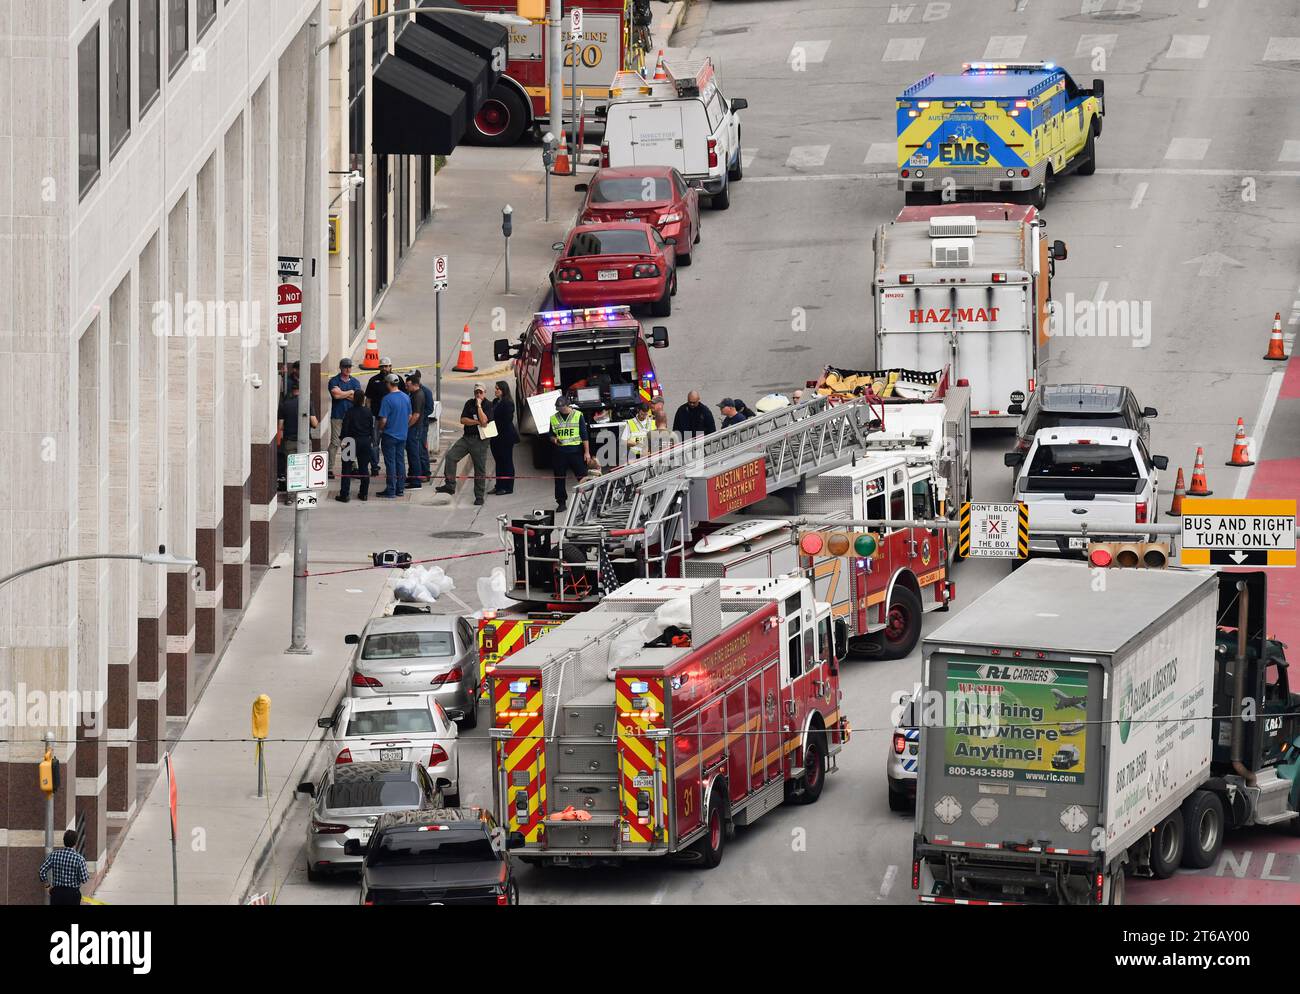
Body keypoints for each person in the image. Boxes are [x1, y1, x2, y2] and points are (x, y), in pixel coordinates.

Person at [434, 383, 491, 505]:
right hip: (466, 438)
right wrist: (476, 421)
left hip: (480, 441)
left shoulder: (488, 405)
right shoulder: (469, 403)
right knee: (451, 457)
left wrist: (479, 406)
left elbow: (485, 422)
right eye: (476, 392)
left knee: (479, 468)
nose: (478, 394)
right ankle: (450, 485)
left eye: (480, 392)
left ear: (484, 393)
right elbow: (462, 419)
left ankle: (479, 495)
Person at [276, 377, 319, 491]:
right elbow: (314, 423)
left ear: (292, 391)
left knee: (291, 469)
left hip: (289, 441)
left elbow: (280, 426)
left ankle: (290, 496)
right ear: (302, 390)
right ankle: (304, 492)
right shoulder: (307, 403)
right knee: (305, 467)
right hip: (304, 441)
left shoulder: (284, 404)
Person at [550, 395, 592, 512]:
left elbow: (584, 435)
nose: (560, 410)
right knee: (559, 479)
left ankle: (590, 499)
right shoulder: (554, 418)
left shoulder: (578, 415)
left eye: (562, 407)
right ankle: (561, 502)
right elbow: (550, 435)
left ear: (567, 405)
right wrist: (555, 440)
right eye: (558, 408)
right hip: (560, 453)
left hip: (575, 452)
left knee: (582, 477)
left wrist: (587, 452)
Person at [377, 373, 412, 497]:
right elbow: (409, 416)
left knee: (390, 463)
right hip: (402, 435)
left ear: (388, 384)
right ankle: (400, 489)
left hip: (389, 435)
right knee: (400, 461)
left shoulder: (387, 399)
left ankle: (391, 489)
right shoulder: (406, 397)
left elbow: (384, 420)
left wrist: (380, 429)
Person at [336, 387, 373, 503]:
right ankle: (364, 493)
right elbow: (371, 427)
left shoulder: (350, 412)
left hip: (351, 442)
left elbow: (345, 428)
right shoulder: (368, 412)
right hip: (365, 442)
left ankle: (345, 494)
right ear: (363, 400)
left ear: (354, 399)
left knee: (346, 469)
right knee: (364, 468)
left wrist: (343, 440)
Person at [39, 830, 90, 906]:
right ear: (75, 842)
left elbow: (41, 871)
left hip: (57, 893)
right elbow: (84, 879)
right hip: (72, 894)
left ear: (64, 841)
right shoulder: (79, 859)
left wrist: (48, 885)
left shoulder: (54, 855)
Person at [327, 358, 358, 479]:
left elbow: (357, 398)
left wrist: (342, 394)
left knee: (349, 442)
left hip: (350, 417)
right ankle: (329, 468)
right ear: (340, 367)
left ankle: (351, 466)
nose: (348, 369)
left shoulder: (355, 382)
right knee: (335, 442)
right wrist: (349, 392)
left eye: (349, 367)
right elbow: (335, 395)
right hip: (337, 416)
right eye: (346, 367)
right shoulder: (334, 380)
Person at [364, 356, 396, 477]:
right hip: (376, 418)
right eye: (382, 366)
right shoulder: (373, 381)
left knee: (390, 444)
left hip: (392, 420)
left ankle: (391, 469)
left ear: (391, 367)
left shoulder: (397, 380)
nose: (385, 368)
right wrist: (368, 415)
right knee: (375, 444)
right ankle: (374, 466)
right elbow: (368, 399)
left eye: (387, 366)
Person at [488, 380, 519, 495]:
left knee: (506, 461)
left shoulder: (508, 403)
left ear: (503, 390)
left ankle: (508, 487)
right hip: (495, 437)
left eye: (498, 389)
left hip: (505, 437)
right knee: (499, 462)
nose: (495, 391)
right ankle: (499, 485)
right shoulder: (496, 401)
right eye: (495, 388)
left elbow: (506, 421)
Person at [404, 374, 427, 489]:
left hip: (414, 428)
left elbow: (416, 415)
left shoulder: (418, 395)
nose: (406, 387)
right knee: (411, 453)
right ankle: (412, 476)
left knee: (414, 454)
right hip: (414, 428)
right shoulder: (414, 394)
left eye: (408, 385)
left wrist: (407, 426)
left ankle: (416, 481)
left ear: (415, 385)